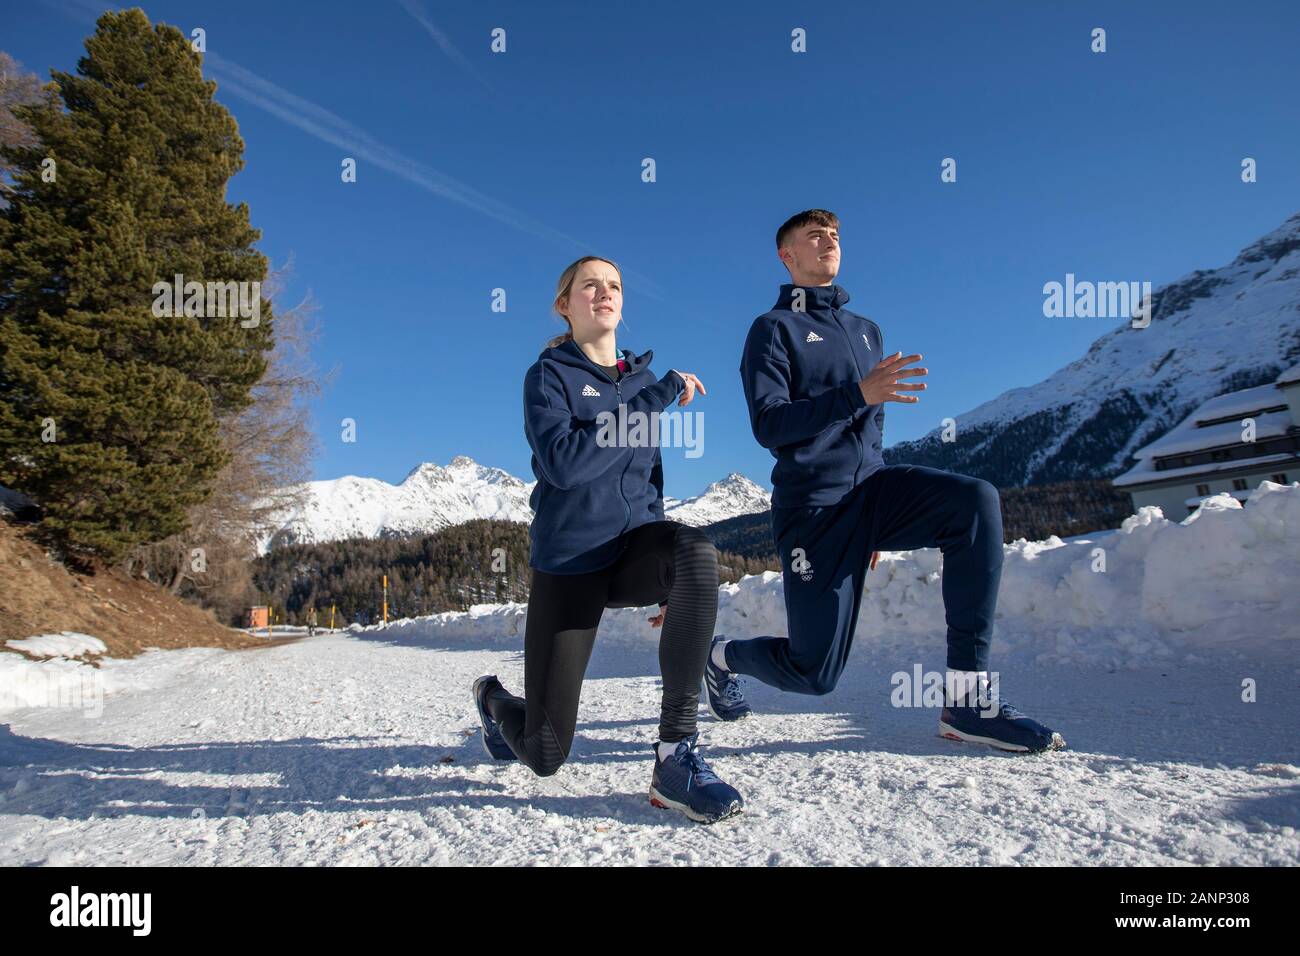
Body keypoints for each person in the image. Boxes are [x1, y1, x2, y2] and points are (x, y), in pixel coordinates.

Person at [704, 209, 1065, 753]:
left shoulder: (866, 331)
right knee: (813, 674)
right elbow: (769, 425)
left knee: (973, 500)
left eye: (834, 236)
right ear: (787, 256)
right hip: (814, 509)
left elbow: (870, 428)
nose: (828, 242)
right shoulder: (771, 329)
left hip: (871, 491)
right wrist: (858, 394)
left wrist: (877, 521)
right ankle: (721, 656)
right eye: (813, 237)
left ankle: (968, 701)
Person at [471, 255, 744, 823]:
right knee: (546, 754)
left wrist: (676, 584)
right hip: (570, 564)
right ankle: (494, 701)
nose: (605, 293)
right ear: (564, 305)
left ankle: (675, 755)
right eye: (589, 285)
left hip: (629, 554)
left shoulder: (642, 382)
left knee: (695, 549)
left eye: (614, 285)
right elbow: (566, 464)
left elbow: (650, 482)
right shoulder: (548, 376)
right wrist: (657, 395)